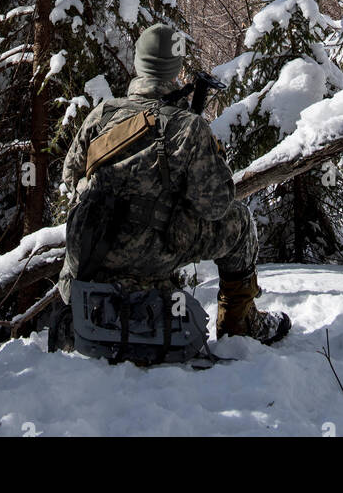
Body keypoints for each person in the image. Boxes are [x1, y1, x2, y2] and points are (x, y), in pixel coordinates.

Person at [57, 22, 291, 345]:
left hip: (96, 253)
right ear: (175, 71)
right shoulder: (188, 127)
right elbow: (217, 204)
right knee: (239, 222)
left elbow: (71, 180)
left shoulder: (101, 116)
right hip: (154, 254)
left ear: (139, 65)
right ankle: (240, 324)